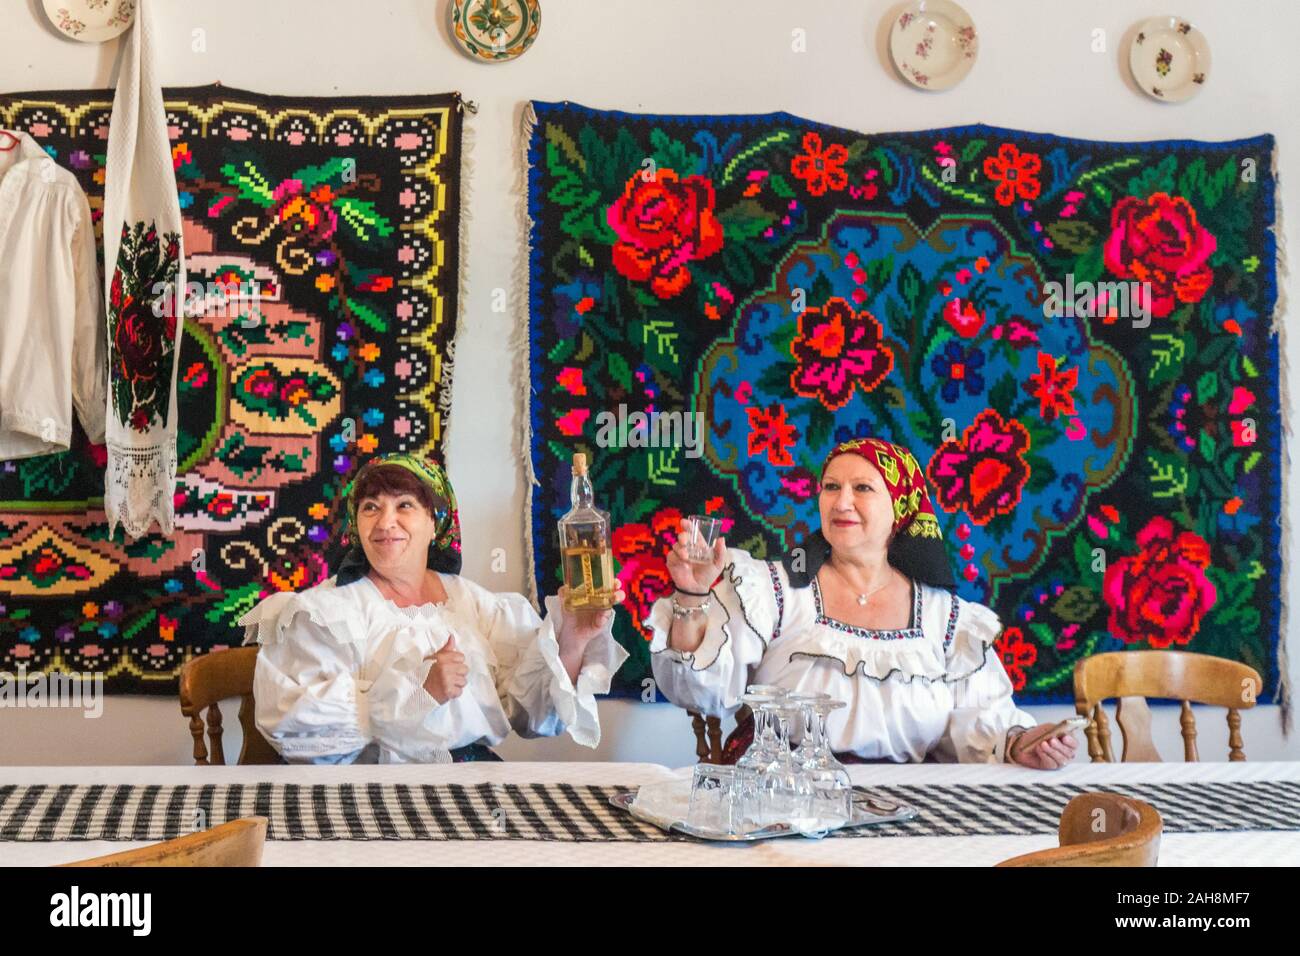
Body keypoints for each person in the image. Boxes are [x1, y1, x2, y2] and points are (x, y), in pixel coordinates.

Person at [648, 436, 1078, 768]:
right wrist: (692, 593)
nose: (842, 502)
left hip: (904, 805)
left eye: (862, 488)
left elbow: (985, 715)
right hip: (780, 793)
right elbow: (699, 690)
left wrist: (1022, 742)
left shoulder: (943, 616)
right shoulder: (774, 590)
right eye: (831, 487)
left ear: (900, 509)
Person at [241, 453, 628, 763]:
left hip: (472, 785)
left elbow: (532, 716)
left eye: (405, 505)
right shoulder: (325, 613)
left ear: (435, 522)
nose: (385, 522)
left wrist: (573, 639)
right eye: (371, 507)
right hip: (371, 793)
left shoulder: (475, 605)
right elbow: (292, 729)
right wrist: (416, 692)